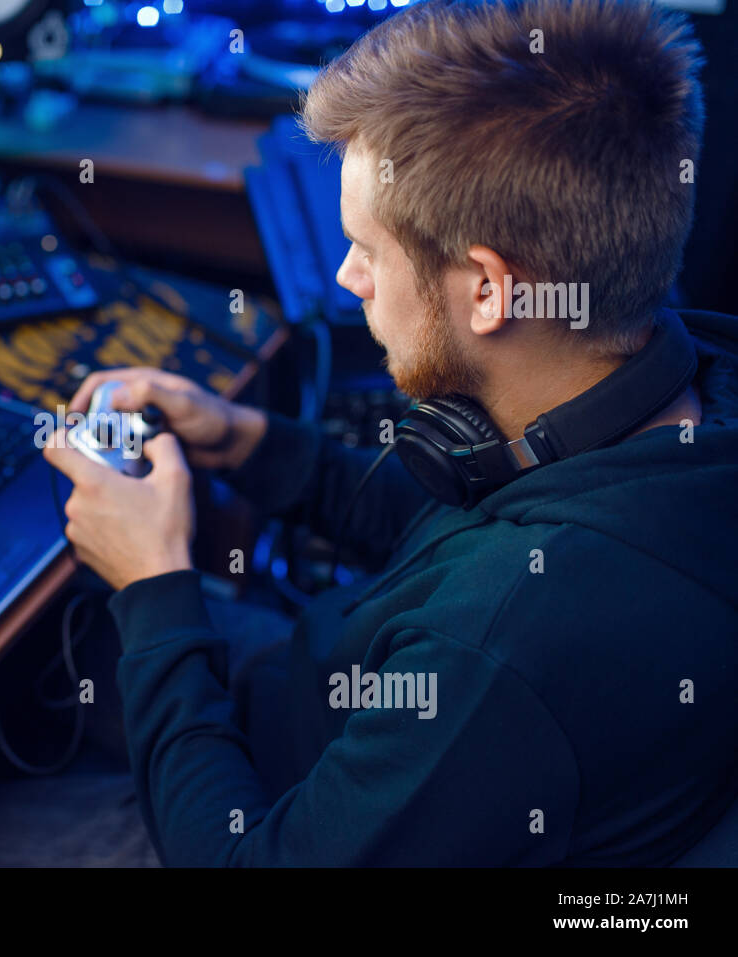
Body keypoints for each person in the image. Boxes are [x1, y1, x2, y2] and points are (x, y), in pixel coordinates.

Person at [40, 0, 738, 866]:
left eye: (367, 248)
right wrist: (248, 438)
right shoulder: (683, 383)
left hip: (283, 804)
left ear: (488, 288)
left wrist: (153, 583)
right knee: (56, 654)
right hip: (336, 691)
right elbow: (470, 520)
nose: (346, 276)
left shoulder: (494, 656)